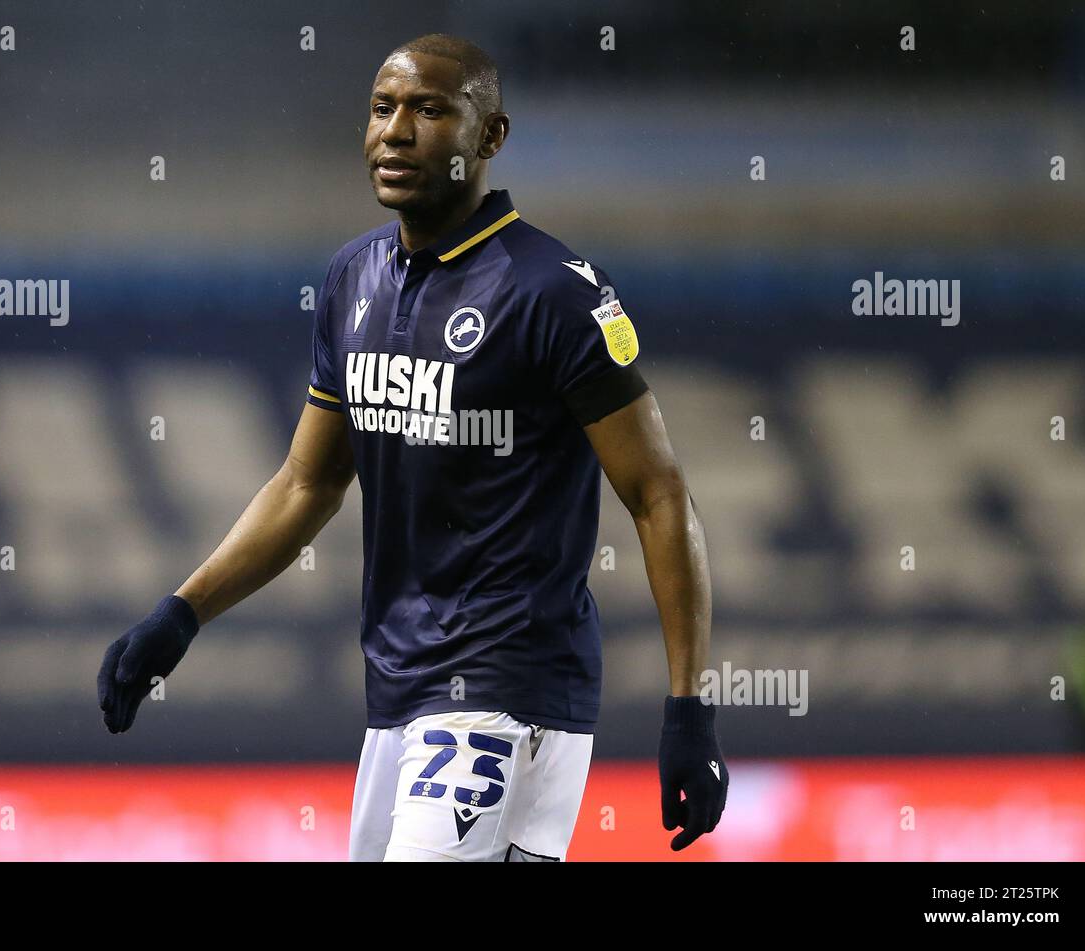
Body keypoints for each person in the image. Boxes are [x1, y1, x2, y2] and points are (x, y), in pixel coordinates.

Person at [98, 33, 727, 862]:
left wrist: (691, 707)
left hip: (510, 690)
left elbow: (658, 494)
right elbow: (307, 482)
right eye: (382, 108)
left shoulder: (553, 293)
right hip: (400, 697)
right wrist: (180, 614)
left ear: (490, 138)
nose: (396, 131)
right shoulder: (351, 279)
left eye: (431, 109)